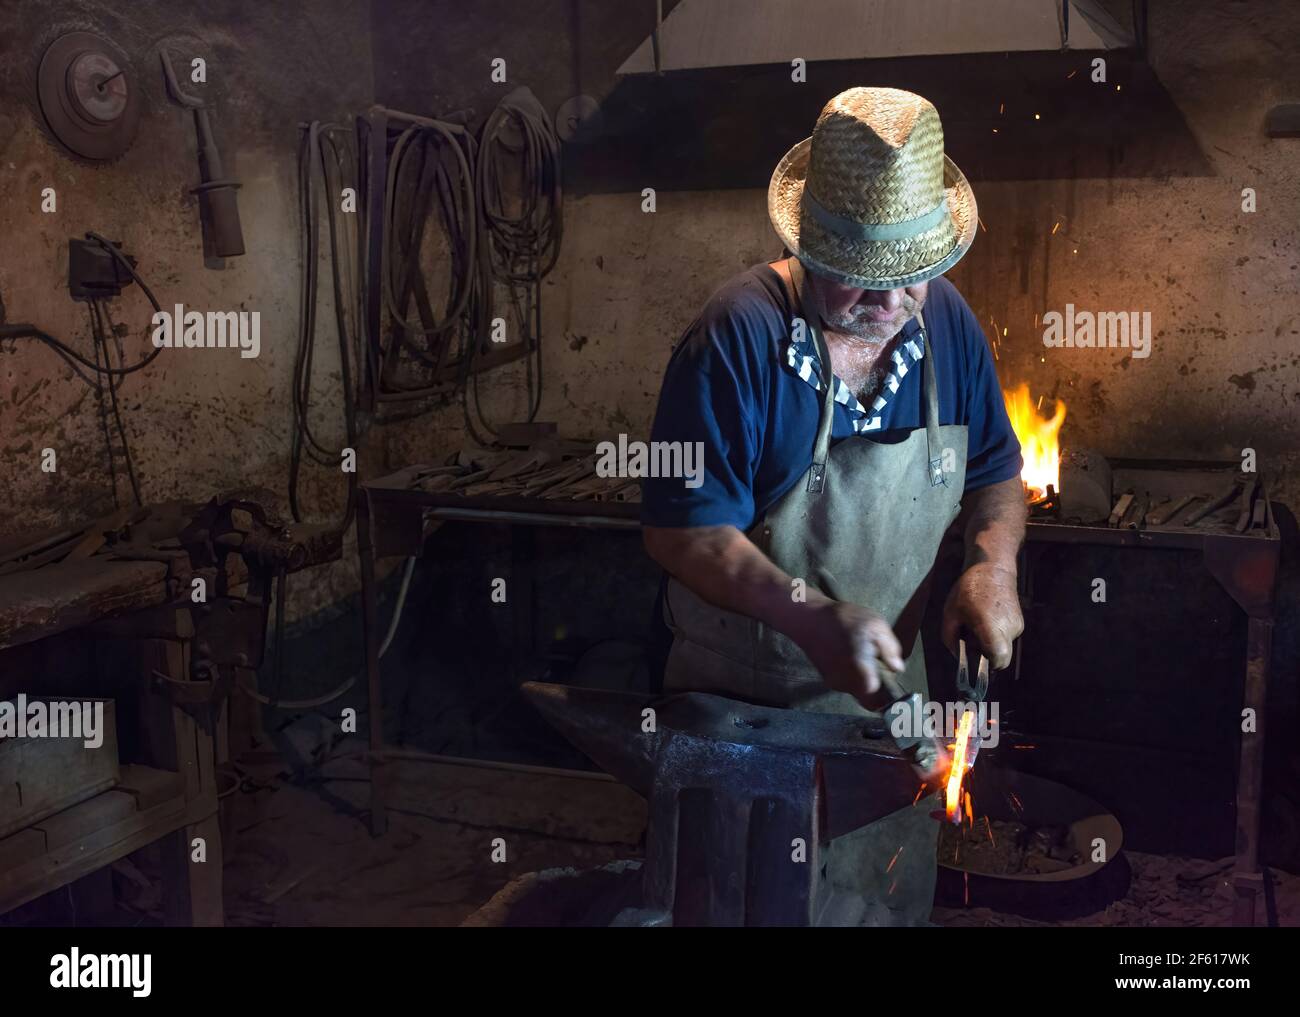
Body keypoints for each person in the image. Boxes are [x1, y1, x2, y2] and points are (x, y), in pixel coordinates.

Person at [640, 86, 1027, 925]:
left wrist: (991, 564)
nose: (889, 304)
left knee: (880, 906)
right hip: (747, 715)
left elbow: (997, 465)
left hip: (893, 726)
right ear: (809, 246)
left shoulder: (946, 325)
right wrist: (811, 619)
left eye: (913, 277)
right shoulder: (736, 335)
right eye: (861, 281)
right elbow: (684, 531)